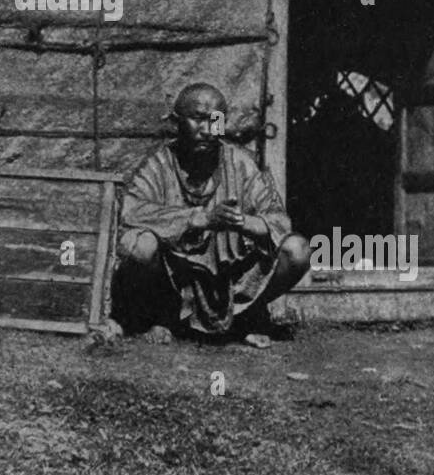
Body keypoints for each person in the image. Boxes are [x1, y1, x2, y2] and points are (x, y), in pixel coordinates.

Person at [111, 82, 310, 346]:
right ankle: (163, 316)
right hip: (177, 279)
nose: (207, 130)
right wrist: (199, 218)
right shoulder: (159, 164)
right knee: (138, 245)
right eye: (198, 119)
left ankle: (246, 317)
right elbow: (130, 211)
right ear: (177, 122)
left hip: (231, 277)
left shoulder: (240, 163)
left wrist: (243, 222)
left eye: (215, 121)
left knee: (297, 250)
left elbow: (278, 220)